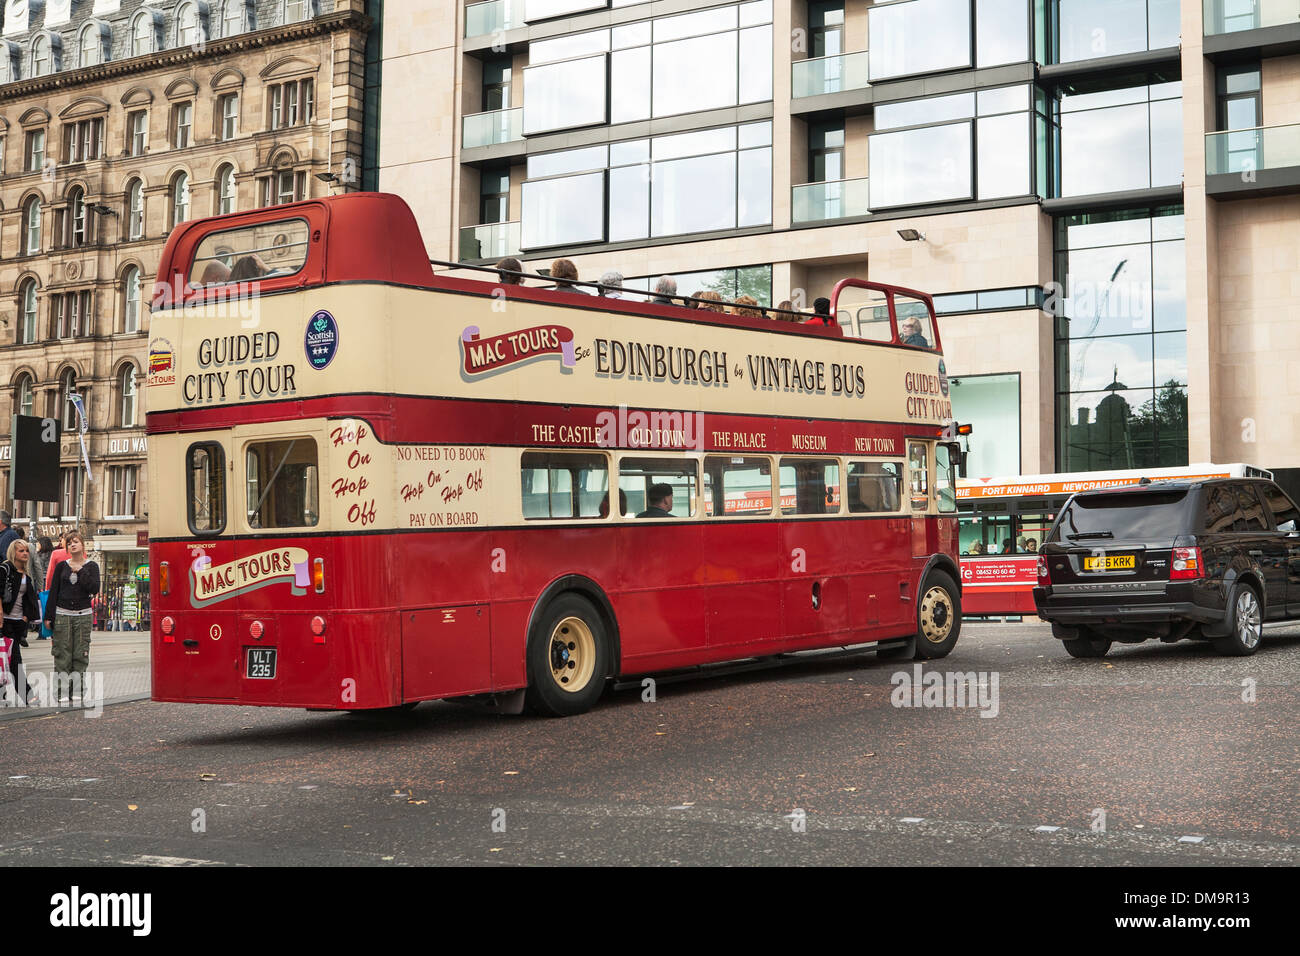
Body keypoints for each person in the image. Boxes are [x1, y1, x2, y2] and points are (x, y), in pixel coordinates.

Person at [44, 531, 100, 705]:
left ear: (83, 545)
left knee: (80, 654)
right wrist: (49, 616)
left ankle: (77, 690)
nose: (72, 545)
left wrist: (81, 571)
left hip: (83, 616)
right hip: (62, 615)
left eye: (76, 542)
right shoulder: (61, 566)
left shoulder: (91, 566)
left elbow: (94, 588)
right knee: (62, 654)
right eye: (69, 543)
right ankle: (61, 690)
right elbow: (54, 591)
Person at [0, 539, 40, 705]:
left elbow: (28, 600)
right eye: (21, 551)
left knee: (6, 659)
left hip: (17, 622)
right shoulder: (5, 568)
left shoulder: (26, 574)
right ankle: (28, 695)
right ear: (13, 552)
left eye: (26, 551)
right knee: (14, 659)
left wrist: (25, 618)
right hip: (4, 622)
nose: (24, 553)